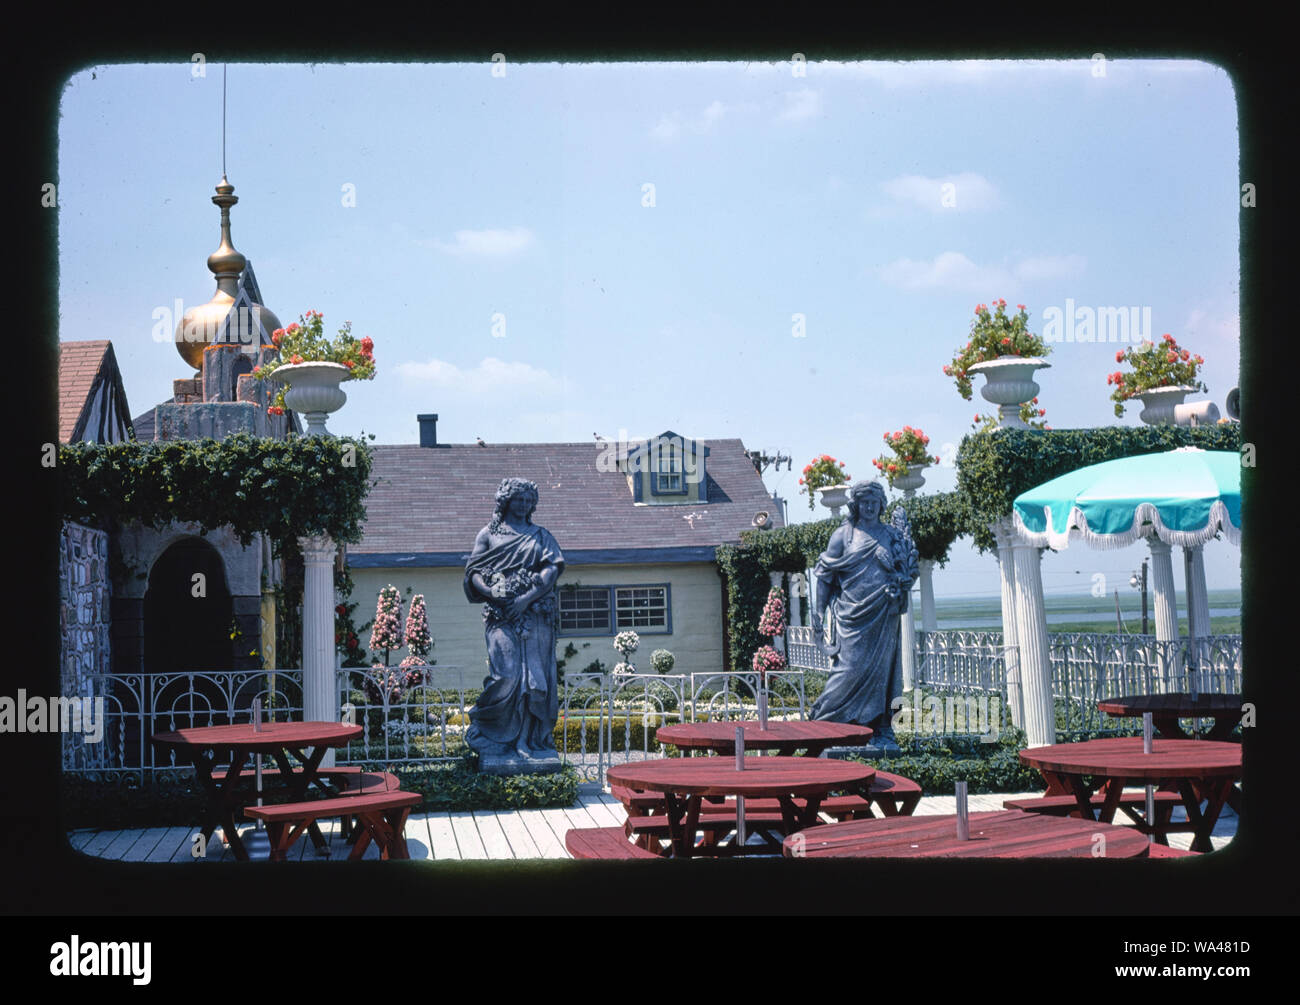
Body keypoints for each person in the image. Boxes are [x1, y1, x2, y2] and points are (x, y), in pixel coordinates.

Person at [463, 478, 565, 762]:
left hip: (534, 616)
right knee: (507, 676)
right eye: (518, 499)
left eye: (528, 500)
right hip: (501, 616)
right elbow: (474, 573)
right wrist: (495, 595)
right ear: (506, 500)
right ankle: (490, 735)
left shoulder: (541, 536)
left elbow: (551, 570)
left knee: (535, 680)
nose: (523, 505)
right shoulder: (488, 534)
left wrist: (524, 599)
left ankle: (527, 741)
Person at [810, 480, 918, 746]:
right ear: (855, 505)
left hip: (884, 616)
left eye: (874, 502)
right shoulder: (843, 535)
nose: (869, 507)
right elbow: (824, 576)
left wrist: (898, 587)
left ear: (881, 504)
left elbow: (906, 574)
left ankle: (880, 729)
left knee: (884, 672)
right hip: (852, 618)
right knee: (848, 670)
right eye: (864, 502)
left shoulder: (893, 536)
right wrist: (817, 612)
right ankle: (824, 725)